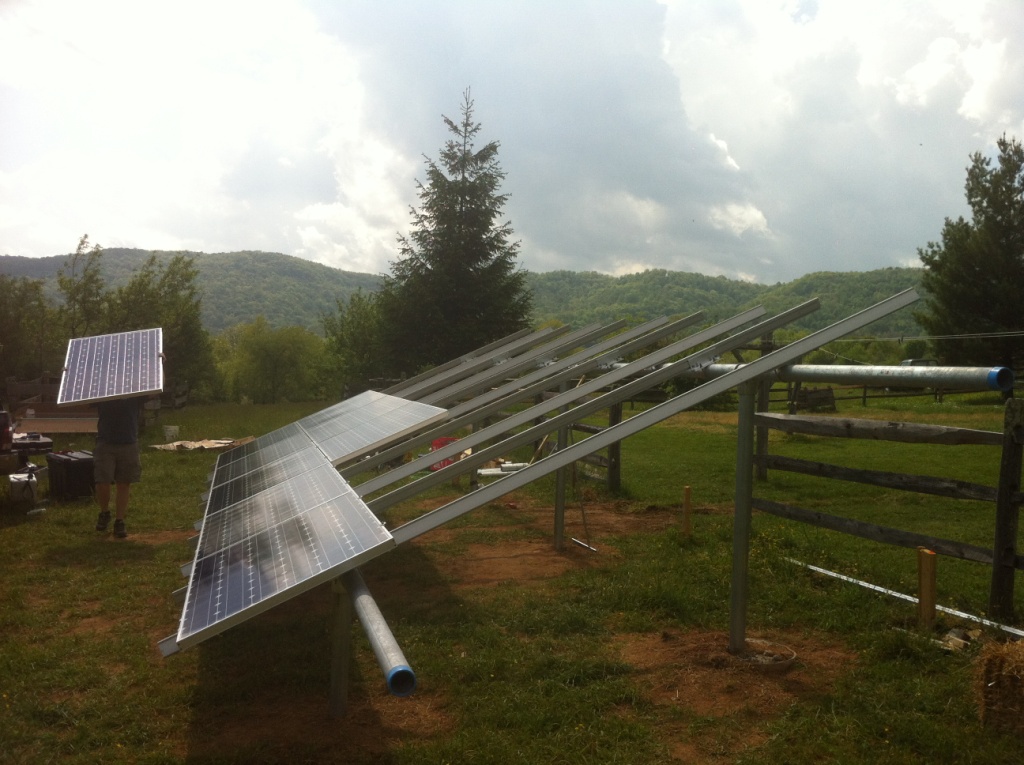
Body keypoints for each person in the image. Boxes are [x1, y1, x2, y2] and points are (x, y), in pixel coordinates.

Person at [93, 396, 144, 538]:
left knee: (124, 483)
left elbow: (157, 387)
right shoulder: (101, 391)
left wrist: (160, 372)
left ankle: (119, 521)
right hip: (105, 442)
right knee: (102, 481)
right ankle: (104, 513)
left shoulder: (136, 392)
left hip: (128, 442)